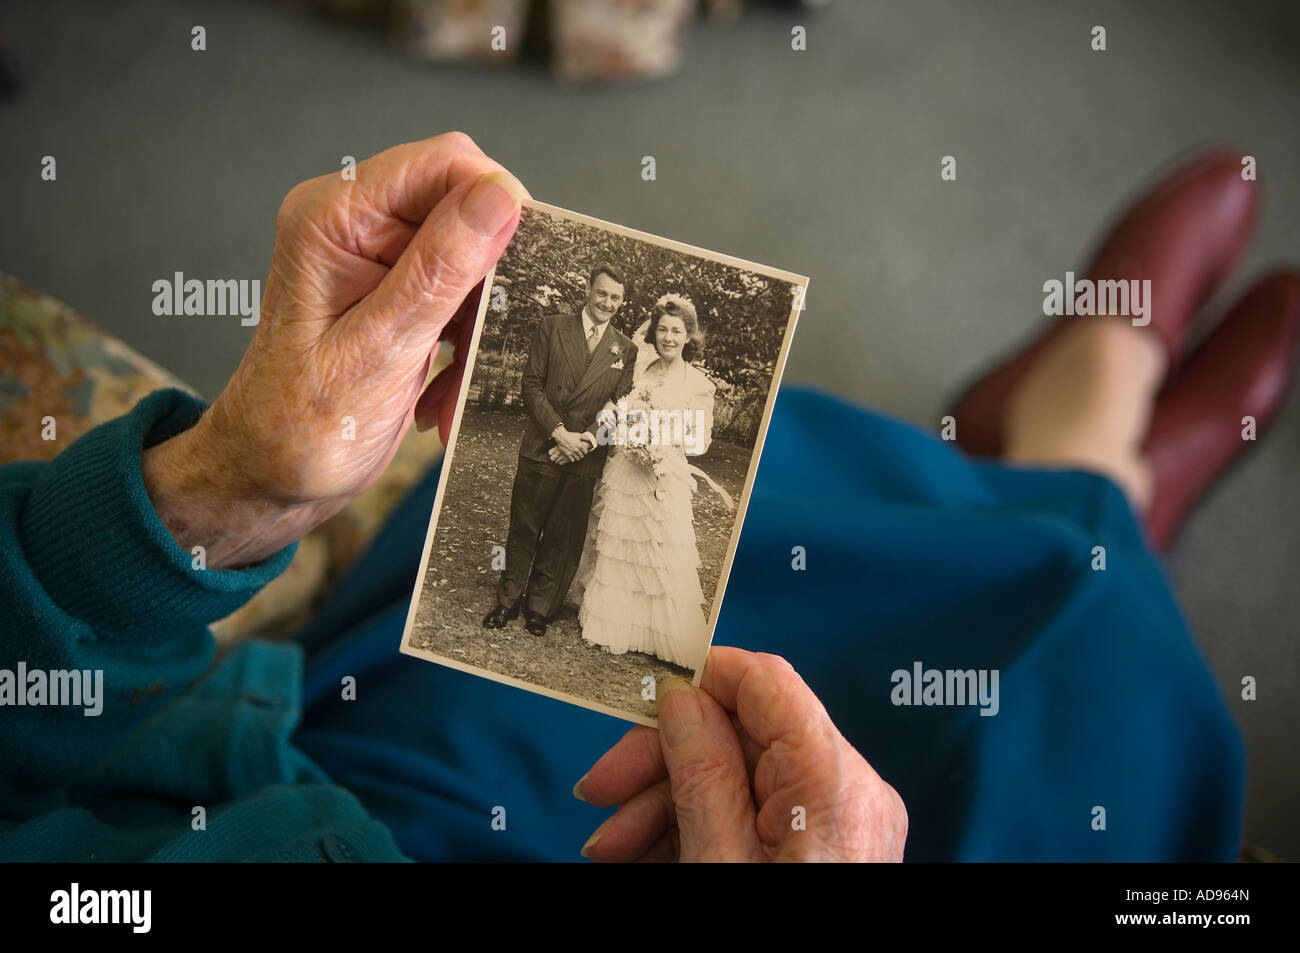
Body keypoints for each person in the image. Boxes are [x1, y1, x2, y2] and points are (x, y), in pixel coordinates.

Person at [1, 133, 1295, 862]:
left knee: (770, 526)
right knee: (1097, 688)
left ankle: (1075, 462)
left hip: (330, 807)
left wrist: (219, 490)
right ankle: (1092, 466)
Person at [483, 264, 638, 638]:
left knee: (563, 536)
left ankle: (541, 606)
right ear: (588, 289)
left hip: (583, 457)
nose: (607, 303)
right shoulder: (552, 327)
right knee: (524, 527)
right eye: (602, 293)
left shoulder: (625, 349)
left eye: (615, 297)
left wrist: (582, 443)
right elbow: (531, 385)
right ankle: (507, 601)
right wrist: (558, 434)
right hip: (542, 446)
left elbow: (620, 404)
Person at [567, 294, 718, 673]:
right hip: (627, 470)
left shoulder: (698, 384)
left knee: (660, 548)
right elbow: (620, 409)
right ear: (654, 332)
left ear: (688, 337)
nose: (668, 337)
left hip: (663, 474)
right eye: (663, 330)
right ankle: (618, 626)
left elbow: (700, 441)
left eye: (676, 331)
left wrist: (658, 440)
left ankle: (665, 637)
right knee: (621, 546)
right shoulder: (641, 371)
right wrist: (620, 422)